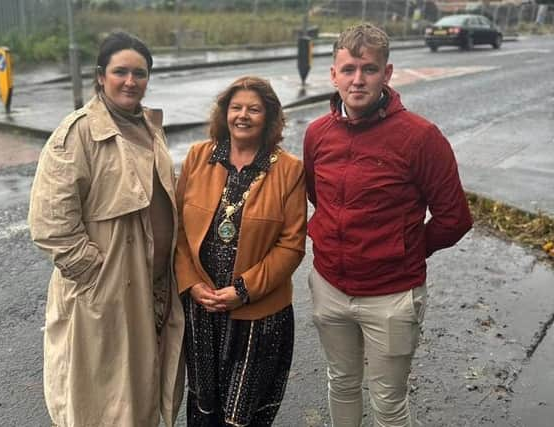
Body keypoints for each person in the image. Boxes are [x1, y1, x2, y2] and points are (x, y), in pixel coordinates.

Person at [303, 24, 473, 426]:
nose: (358, 79)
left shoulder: (420, 137)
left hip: (392, 296)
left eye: (369, 69)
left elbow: (454, 218)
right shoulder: (317, 134)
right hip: (330, 287)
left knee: (389, 402)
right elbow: (318, 196)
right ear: (333, 75)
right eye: (348, 70)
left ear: (387, 73)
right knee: (341, 381)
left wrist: (406, 247)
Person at [27, 32, 184, 427]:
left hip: (151, 285)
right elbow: (50, 222)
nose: (131, 81)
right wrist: (95, 277)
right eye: (121, 72)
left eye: (140, 73)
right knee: (102, 397)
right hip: (105, 289)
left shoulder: (150, 126)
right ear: (101, 76)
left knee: (141, 385)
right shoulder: (78, 133)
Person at [175, 76, 307, 426]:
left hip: (258, 314)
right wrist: (191, 284)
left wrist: (243, 291)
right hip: (202, 308)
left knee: (241, 413)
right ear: (224, 113)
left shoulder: (289, 170)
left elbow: (292, 245)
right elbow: (177, 230)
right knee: (205, 405)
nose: (243, 116)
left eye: (254, 109)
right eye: (236, 108)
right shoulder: (198, 157)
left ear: (269, 117)